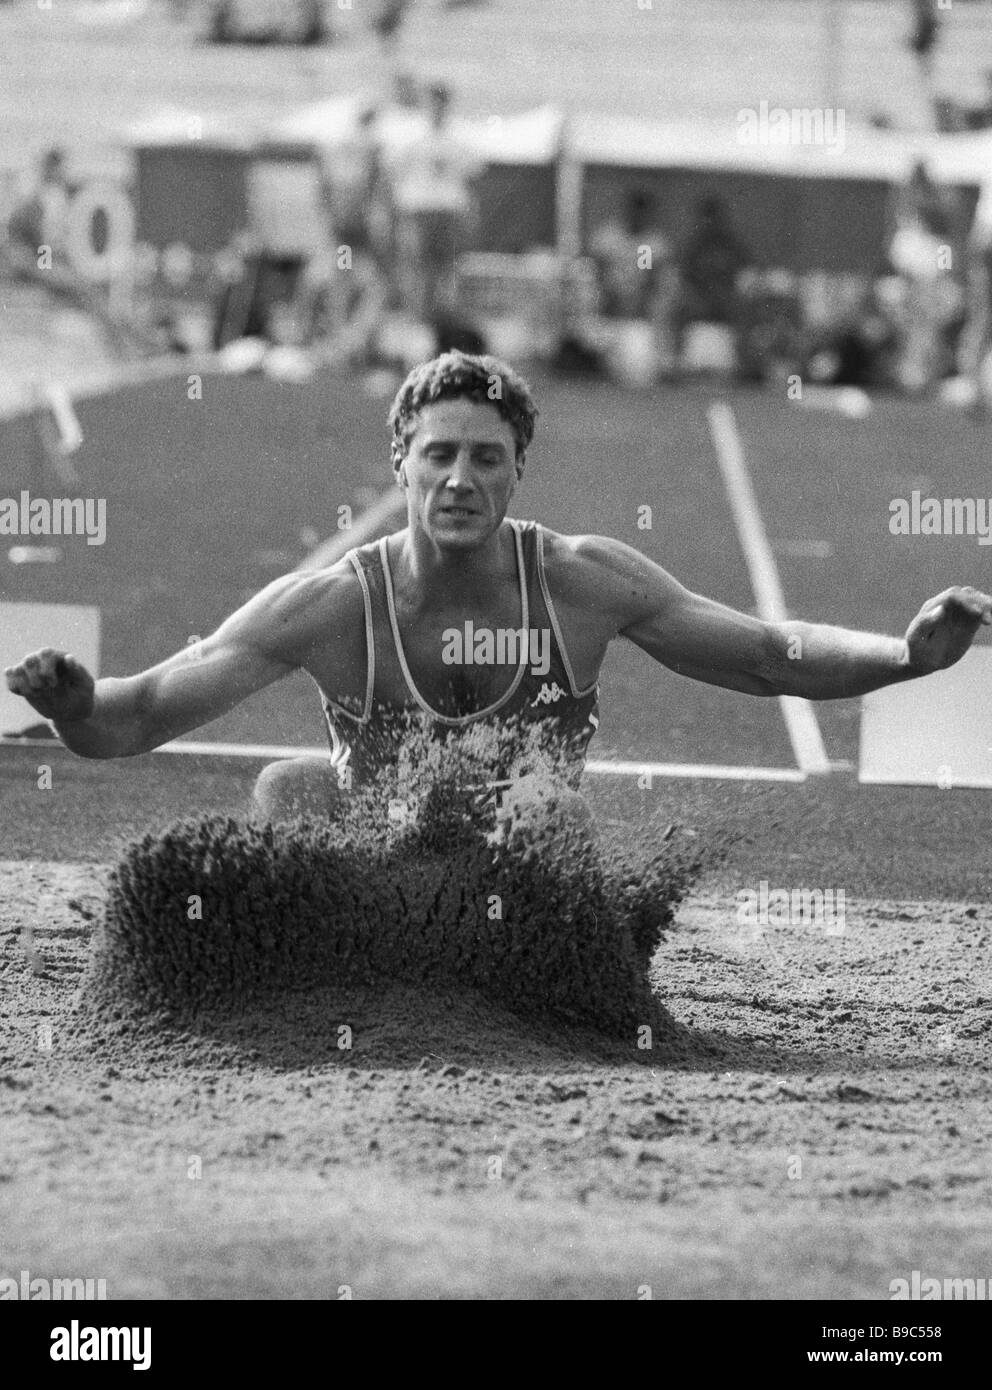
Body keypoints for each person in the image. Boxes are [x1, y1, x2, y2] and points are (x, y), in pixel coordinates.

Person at [6, 350, 991, 838]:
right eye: (438, 456)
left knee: (542, 818)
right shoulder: (326, 606)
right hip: (381, 881)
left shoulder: (579, 582)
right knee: (288, 792)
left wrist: (907, 658)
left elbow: (769, 652)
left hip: (530, 884)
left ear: (518, 472)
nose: (459, 480)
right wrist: (71, 703)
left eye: (486, 458)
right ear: (400, 465)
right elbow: (133, 721)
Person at [388, 85, 483, 323]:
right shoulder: (410, 135)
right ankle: (418, 316)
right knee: (417, 267)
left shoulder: (458, 137)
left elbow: (472, 177)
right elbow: (393, 175)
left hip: (446, 211)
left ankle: (441, 318)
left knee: (445, 266)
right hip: (416, 212)